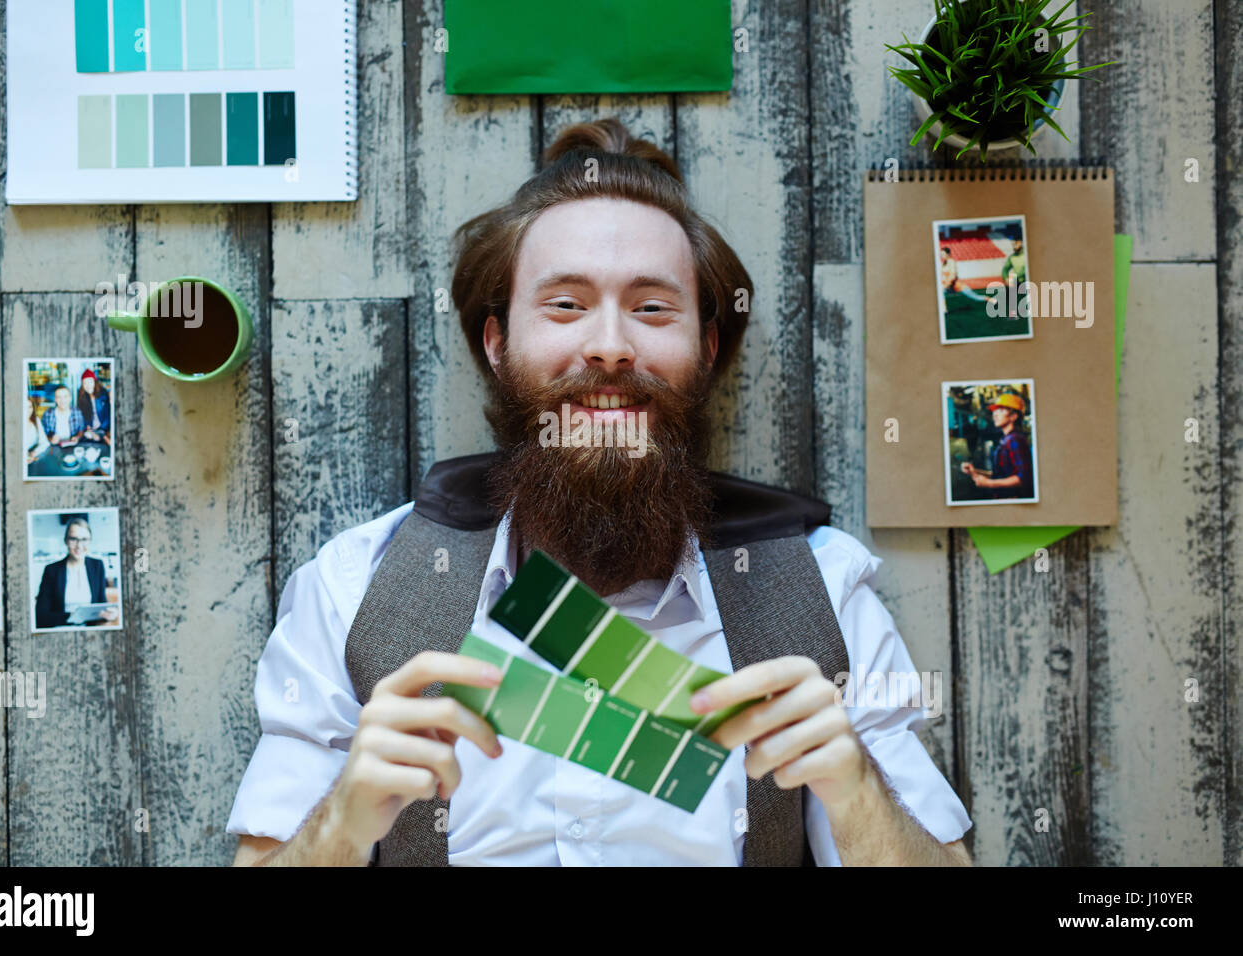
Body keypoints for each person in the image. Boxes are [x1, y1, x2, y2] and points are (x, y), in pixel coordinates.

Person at [228, 118, 973, 867]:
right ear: (497, 345)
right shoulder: (356, 592)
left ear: (707, 351)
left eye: (652, 308)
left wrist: (860, 795)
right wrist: (343, 825)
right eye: (565, 305)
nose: (610, 345)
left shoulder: (822, 596)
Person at [33, 518, 120, 629]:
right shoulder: (52, 570)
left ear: (90, 541)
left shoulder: (97, 566)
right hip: (61, 630)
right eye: (73, 539)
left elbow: (101, 605)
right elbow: (40, 616)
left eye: (84, 539)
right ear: (66, 541)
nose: (79, 545)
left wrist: (110, 614)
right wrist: (75, 616)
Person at [960, 393, 1034, 499]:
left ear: (1013, 416)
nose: (995, 414)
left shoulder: (1015, 439)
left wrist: (989, 484)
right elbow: (1001, 475)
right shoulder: (1006, 439)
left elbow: (1023, 478)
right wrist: (975, 471)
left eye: (1001, 410)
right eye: (995, 410)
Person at [77, 369, 111, 444]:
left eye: (90, 382)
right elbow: (82, 417)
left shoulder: (103, 395)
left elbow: (108, 416)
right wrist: (89, 428)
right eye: (85, 383)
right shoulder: (82, 397)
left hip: (104, 429)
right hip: (90, 430)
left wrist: (103, 433)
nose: (88, 385)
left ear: (95, 382)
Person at [24, 395, 50, 464]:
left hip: (32, 459)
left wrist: (34, 453)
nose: (27, 410)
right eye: (23, 407)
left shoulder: (35, 420)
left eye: (29, 407)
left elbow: (45, 442)